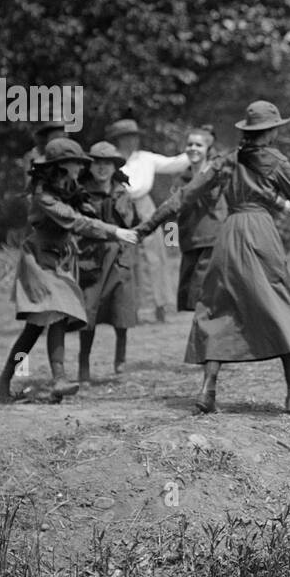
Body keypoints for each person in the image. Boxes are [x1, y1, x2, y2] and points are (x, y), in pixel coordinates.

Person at [135, 101, 290, 415]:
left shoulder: (226, 160)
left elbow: (183, 197)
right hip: (259, 233)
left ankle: (207, 390)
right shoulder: (275, 160)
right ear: (269, 131)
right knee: (282, 306)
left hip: (227, 236)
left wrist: (144, 228)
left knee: (218, 308)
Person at [0, 139, 139, 401]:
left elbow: (86, 210)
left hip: (60, 258)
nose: (79, 168)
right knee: (54, 314)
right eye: (75, 163)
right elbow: (74, 221)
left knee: (39, 326)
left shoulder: (70, 187)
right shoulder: (44, 194)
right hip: (39, 259)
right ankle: (52, 378)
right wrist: (114, 231)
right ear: (59, 166)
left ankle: (7, 378)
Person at [106, 116, 190, 323]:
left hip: (145, 208)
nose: (131, 141)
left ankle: (159, 307)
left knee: (154, 256)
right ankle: (128, 310)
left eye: (134, 137)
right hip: (119, 208)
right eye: (126, 137)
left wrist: (197, 150)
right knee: (125, 257)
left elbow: (174, 164)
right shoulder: (111, 158)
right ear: (118, 139)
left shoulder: (145, 158)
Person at [75, 141, 140, 382]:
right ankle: (84, 362)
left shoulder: (122, 191)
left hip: (120, 258)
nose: (102, 168)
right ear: (90, 167)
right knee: (88, 312)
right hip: (91, 258)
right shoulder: (80, 192)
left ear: (115, 167)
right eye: (97, 164)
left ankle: (120, 359)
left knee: (121, 309)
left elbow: (134, 223)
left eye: (107, 164)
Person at [173, 125, 228, 312]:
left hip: (212, 240)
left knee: (207, 297)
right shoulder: (182, 178)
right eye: (189, 144)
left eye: (198, 145)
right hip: (190, 241)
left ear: (207, 149)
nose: (193, 148)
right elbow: (173, 209)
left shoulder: (218, 174)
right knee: (193, 301)